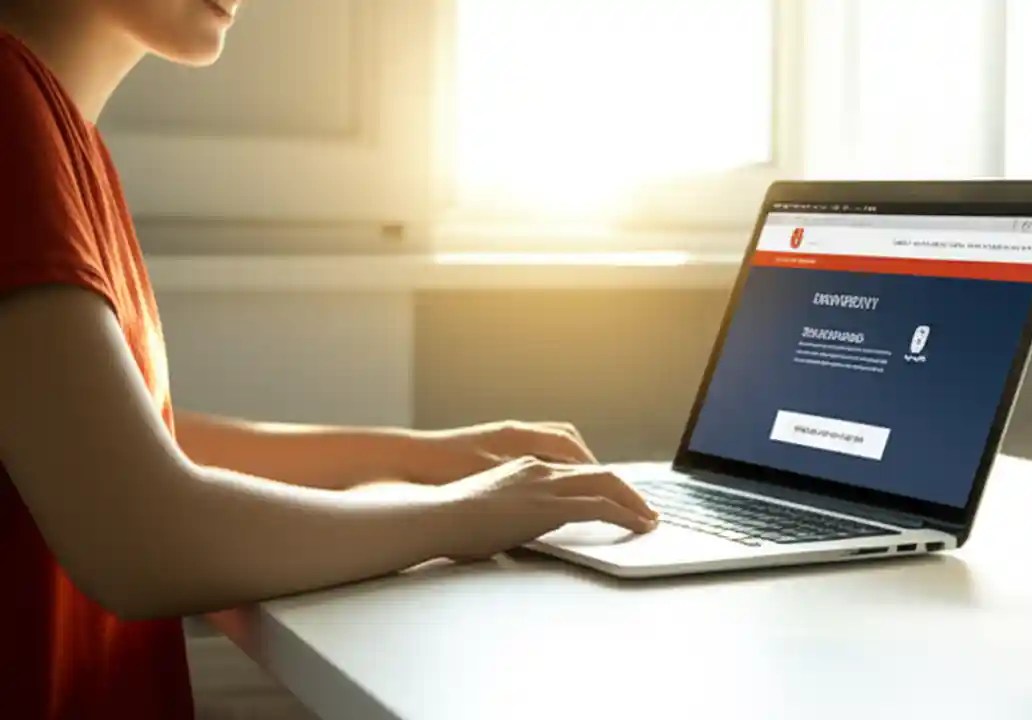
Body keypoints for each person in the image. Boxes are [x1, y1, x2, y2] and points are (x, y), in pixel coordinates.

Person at [0, 1, 660, 717]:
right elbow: (135, 531)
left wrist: (421, 456)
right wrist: (456, 516)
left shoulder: (61, 129)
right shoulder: (8, 112)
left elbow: (112, 447)